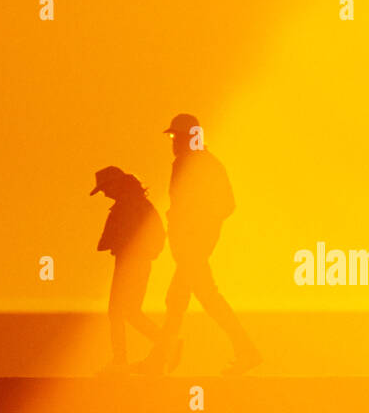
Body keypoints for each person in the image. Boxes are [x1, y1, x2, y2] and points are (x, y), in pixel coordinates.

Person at [135, 114, 260, 375]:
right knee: (197, 298)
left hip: (194, 245)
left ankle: (159, 359)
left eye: (176, 137)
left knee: (180, 298)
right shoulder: (188, 163)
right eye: (172, 137)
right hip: (187, 245)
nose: (173, 142)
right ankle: (246, 350)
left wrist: (198, 228)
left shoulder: (204, 164)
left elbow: (226, 204)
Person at [89, 166, 176, 374]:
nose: (105, 194)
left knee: (117, 312)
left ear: (115, 184)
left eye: (105, 188)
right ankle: (167, 344)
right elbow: (157, 234)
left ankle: (120, 361)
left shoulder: (126, 206)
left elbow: (108, 240)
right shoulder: (140, 204)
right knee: (130, 312)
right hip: (138, 262)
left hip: (129, 264)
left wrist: (128, 249)